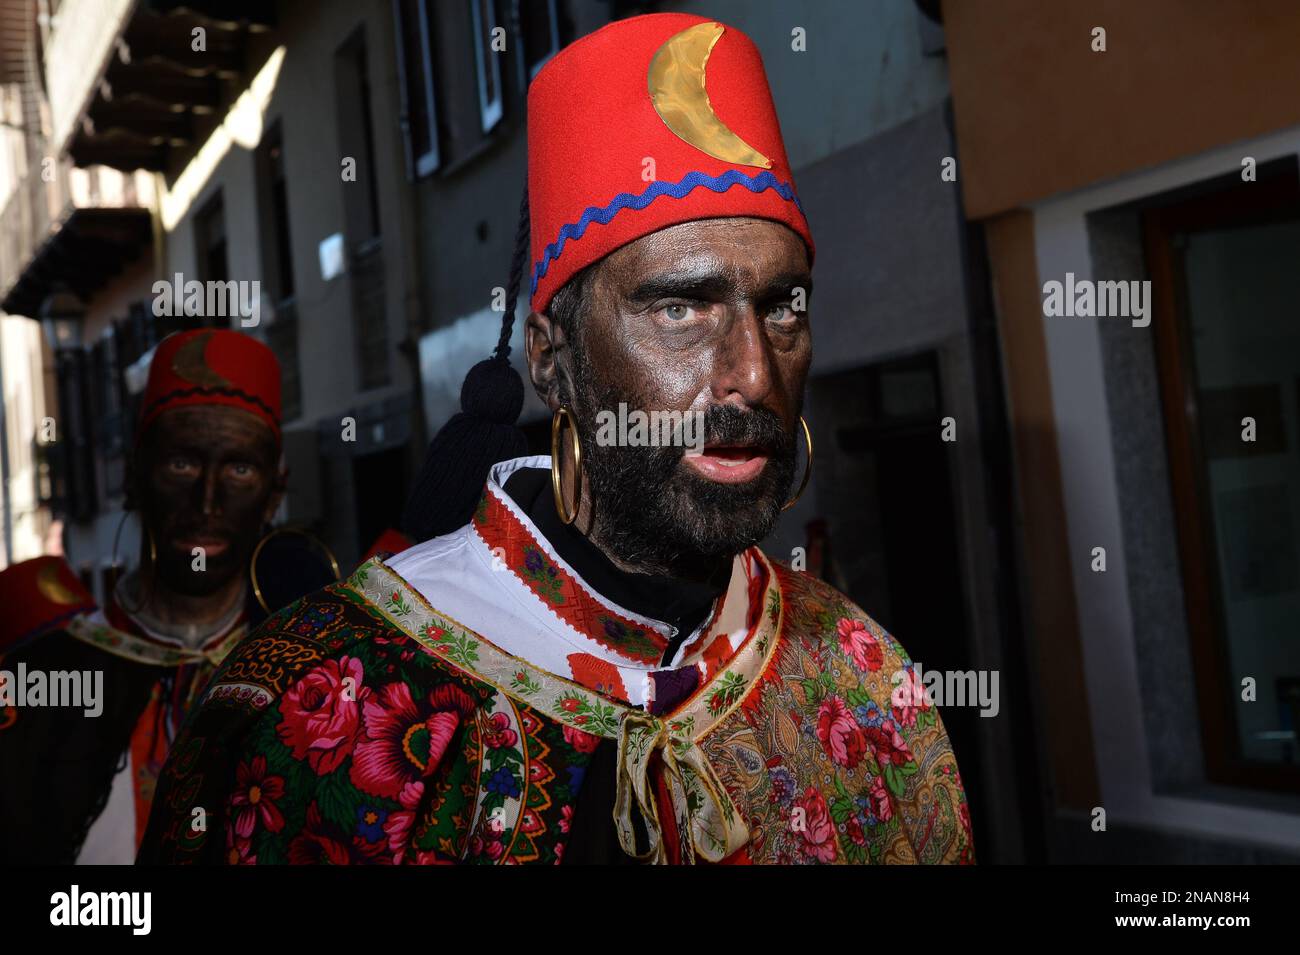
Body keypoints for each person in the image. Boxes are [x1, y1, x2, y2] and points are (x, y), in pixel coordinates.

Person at [139, 12, 974, 865]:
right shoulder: (318, 700)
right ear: (552, 357)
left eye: (781, 307)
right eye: (680, 308)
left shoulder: (859, 674)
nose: (754, 375)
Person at [0, 328, 334, 864]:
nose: (207, 500)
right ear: (135, 476)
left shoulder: (317, 677)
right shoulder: (42, 670)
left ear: (275, 492)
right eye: (181, 463)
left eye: (240, 468)